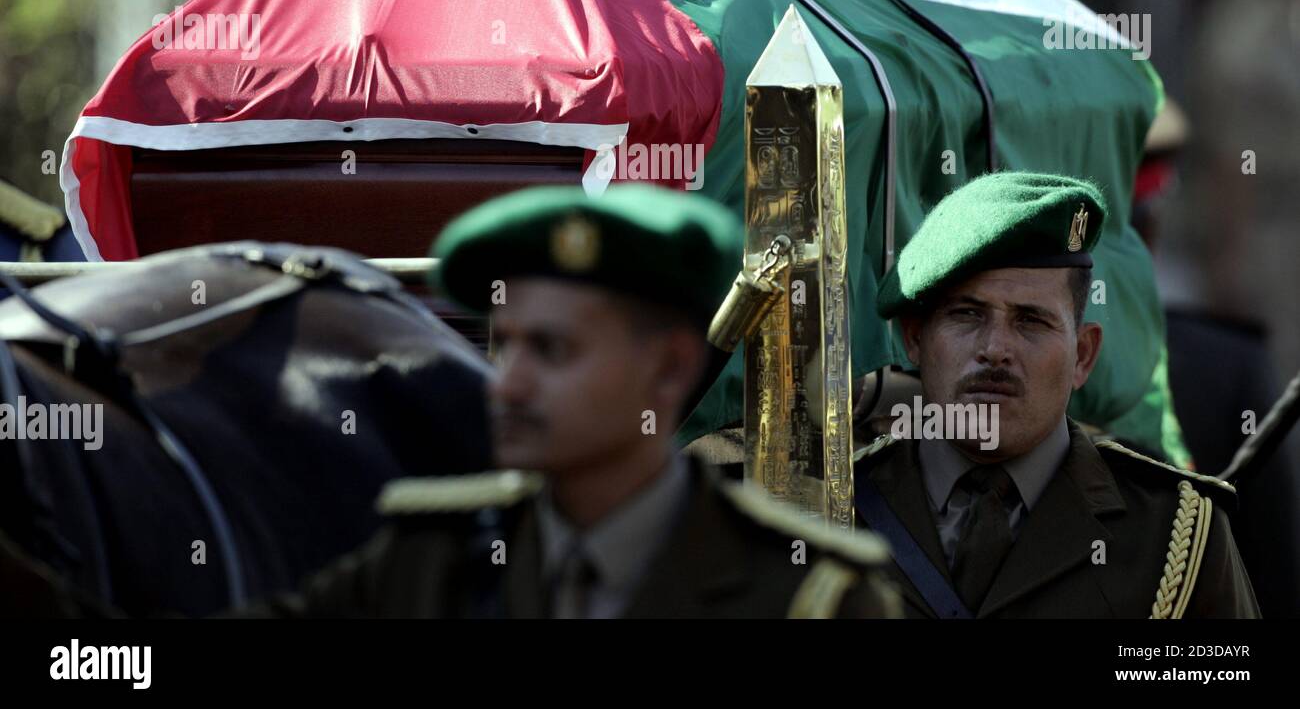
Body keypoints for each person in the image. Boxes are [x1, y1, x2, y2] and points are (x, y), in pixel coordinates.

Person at [254, 184, 898, 618]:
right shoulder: (427, 563)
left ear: (671, 368)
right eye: (503, 347)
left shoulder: (813, 597)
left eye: (553, 350)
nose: (507, 384)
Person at [854, 171, 1259, 618]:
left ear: (1083, 356)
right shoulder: (838, 509)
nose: (995, 350)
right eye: (967, 315)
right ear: (914, 339)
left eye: (1030, 320)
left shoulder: (1173, 535)